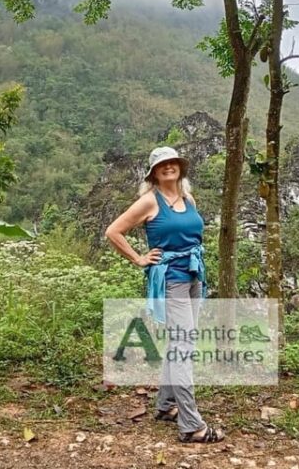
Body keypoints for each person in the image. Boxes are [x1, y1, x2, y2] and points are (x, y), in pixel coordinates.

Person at [105, 146, 224, 443]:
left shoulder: (188, 199)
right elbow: (114, 232)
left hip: (195, 275)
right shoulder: (149, 202)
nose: (168, 167)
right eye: (162, 165)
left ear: (180, 168)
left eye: (173, 163)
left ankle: (167, 405)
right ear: (154, 173)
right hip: (171, 280)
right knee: (183, 348)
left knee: (181, 342)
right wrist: (139, 258)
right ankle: (191, 425)